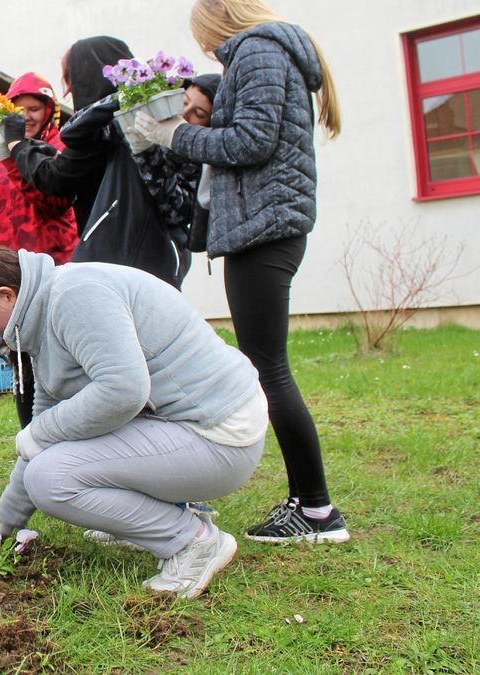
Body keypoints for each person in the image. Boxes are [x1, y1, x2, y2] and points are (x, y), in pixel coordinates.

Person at [126, 0, 349, 544]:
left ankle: (316, 511)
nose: (203, 47)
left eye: (201, 34)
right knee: (265, 364)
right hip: (265, 225)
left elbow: (250, 142)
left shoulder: (258, 53)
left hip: (264, 227)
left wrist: (173, 133)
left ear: (216, 19)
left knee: (268, 369)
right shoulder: (268, 53)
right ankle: (311, 506)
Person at [0, 246, 267, 599]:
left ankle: (193, 542)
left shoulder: (73, 297)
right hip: (191, 426)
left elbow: (124, 390)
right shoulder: (44, 315)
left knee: (51, 479)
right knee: (48, 462)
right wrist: (2, 523)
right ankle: (152, 525)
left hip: (219, 434)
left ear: (6, 295)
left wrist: (40, 433)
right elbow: (43, 432)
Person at [2, 36, 218, 290]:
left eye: (199, 113)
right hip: (109, 251)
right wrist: (123, 97)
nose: (186, 113)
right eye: (183, 102)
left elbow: (55, 176)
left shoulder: (177, 146)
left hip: (143, 262)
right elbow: (72, 134)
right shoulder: (120, 122)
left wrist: (16, 149)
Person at [0, 72, 78, 265]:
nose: (26, 117)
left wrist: (10, 161)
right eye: (19, 111)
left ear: (48, 110)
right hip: (5, 268)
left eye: (34, 109)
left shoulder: (61, 148)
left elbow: (55, 204)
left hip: (52, 265)